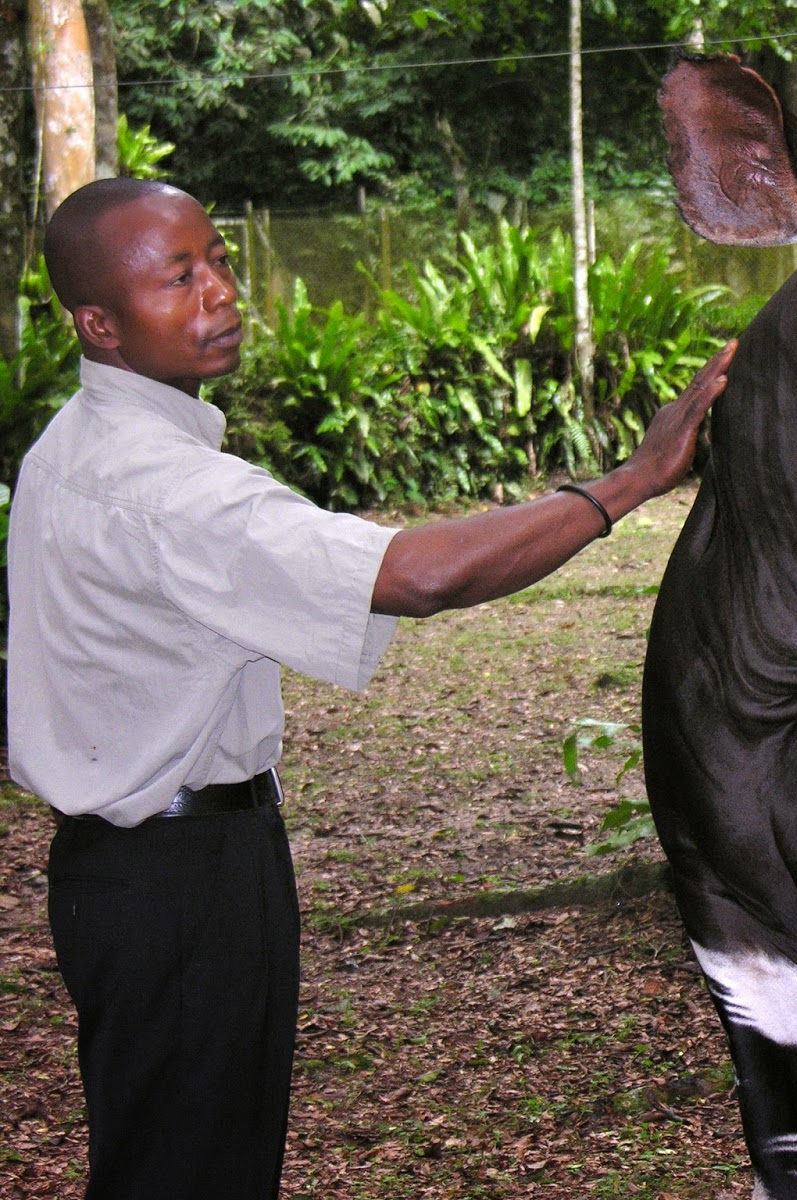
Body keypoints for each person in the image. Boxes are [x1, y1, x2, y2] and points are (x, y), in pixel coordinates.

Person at [5, 176, 735, 1200]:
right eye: (179, 277)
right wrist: (632, 479)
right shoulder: (163, 490)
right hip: (178, 881)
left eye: (217, 258)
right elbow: (423, 574)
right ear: (100, 323)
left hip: (134, 871)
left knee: (173, 1156)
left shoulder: (72, 443)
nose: (220, 291)